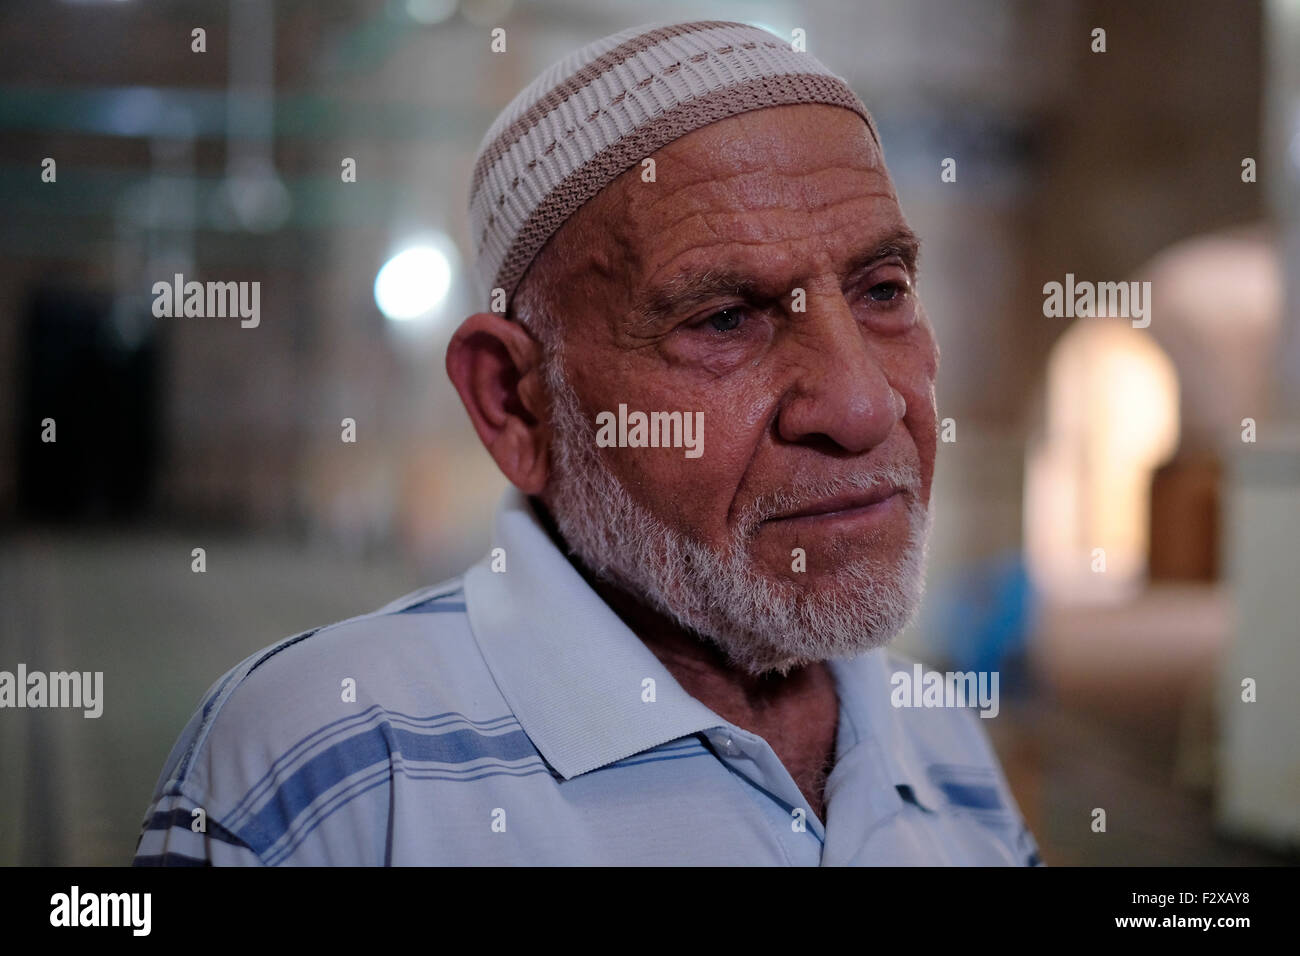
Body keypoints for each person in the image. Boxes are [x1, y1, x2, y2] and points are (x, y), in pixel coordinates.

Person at [134, 18, 1042, 866]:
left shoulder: (941, 742)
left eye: (882, 291)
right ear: (516, 404)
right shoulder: (330, 773)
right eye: (724, 319)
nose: (861, 407)